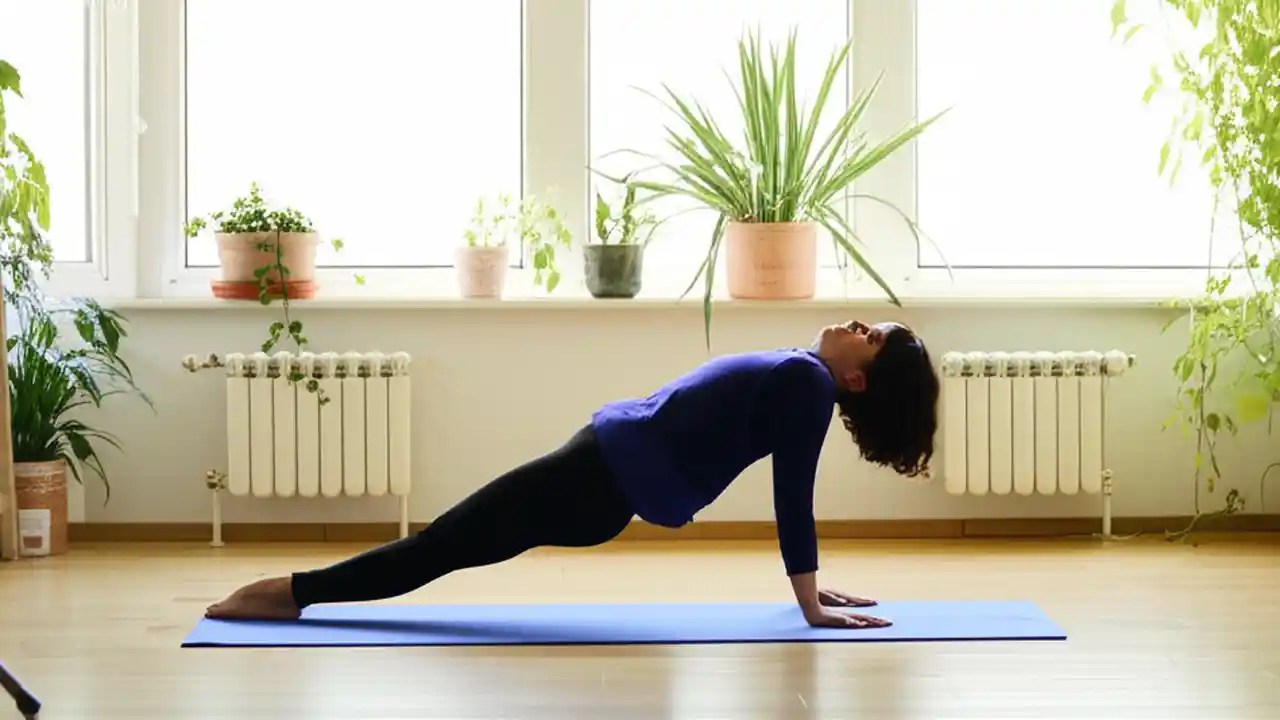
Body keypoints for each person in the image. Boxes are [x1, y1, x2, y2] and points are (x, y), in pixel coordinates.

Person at [206, 320, 939, 629]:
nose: (856, 324)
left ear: (860, 380)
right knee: (452, 542)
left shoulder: (808, 386)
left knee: (445, 541)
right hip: (600, 473)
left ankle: (293, 594)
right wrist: (811, 588)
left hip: (600, 479)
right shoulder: (804, 375)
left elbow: (792, 497)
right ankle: (300, 593)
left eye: (870, 338)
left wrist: (809, 603)